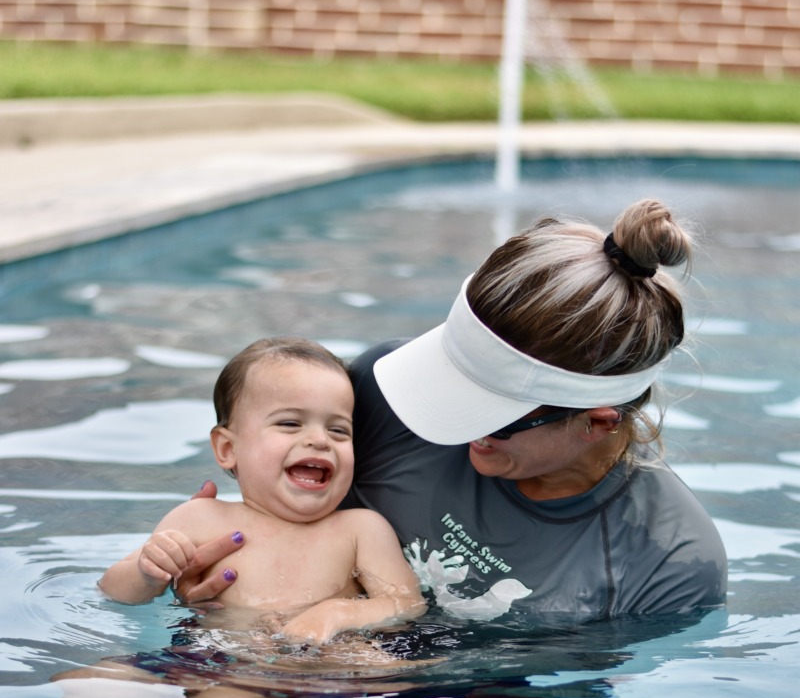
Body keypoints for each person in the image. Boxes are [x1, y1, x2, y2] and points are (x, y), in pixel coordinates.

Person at [172, 198, 727, 626]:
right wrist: (212, 568)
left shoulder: (667, 563)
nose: (454, 428)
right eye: (450, 373)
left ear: (598, 422)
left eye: (488, 414)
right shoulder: (381, 388)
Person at [99, 336, 425, 643]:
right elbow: (111, 589)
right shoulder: (200, 519)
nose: (319, 440)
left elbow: (406, 604)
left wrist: (337, 612)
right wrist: (147, 574)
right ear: (228, 449)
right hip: (222, 660)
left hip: (331, 669)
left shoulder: (361, 529)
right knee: (89, 689)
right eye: (290, 423)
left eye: (339, 430)